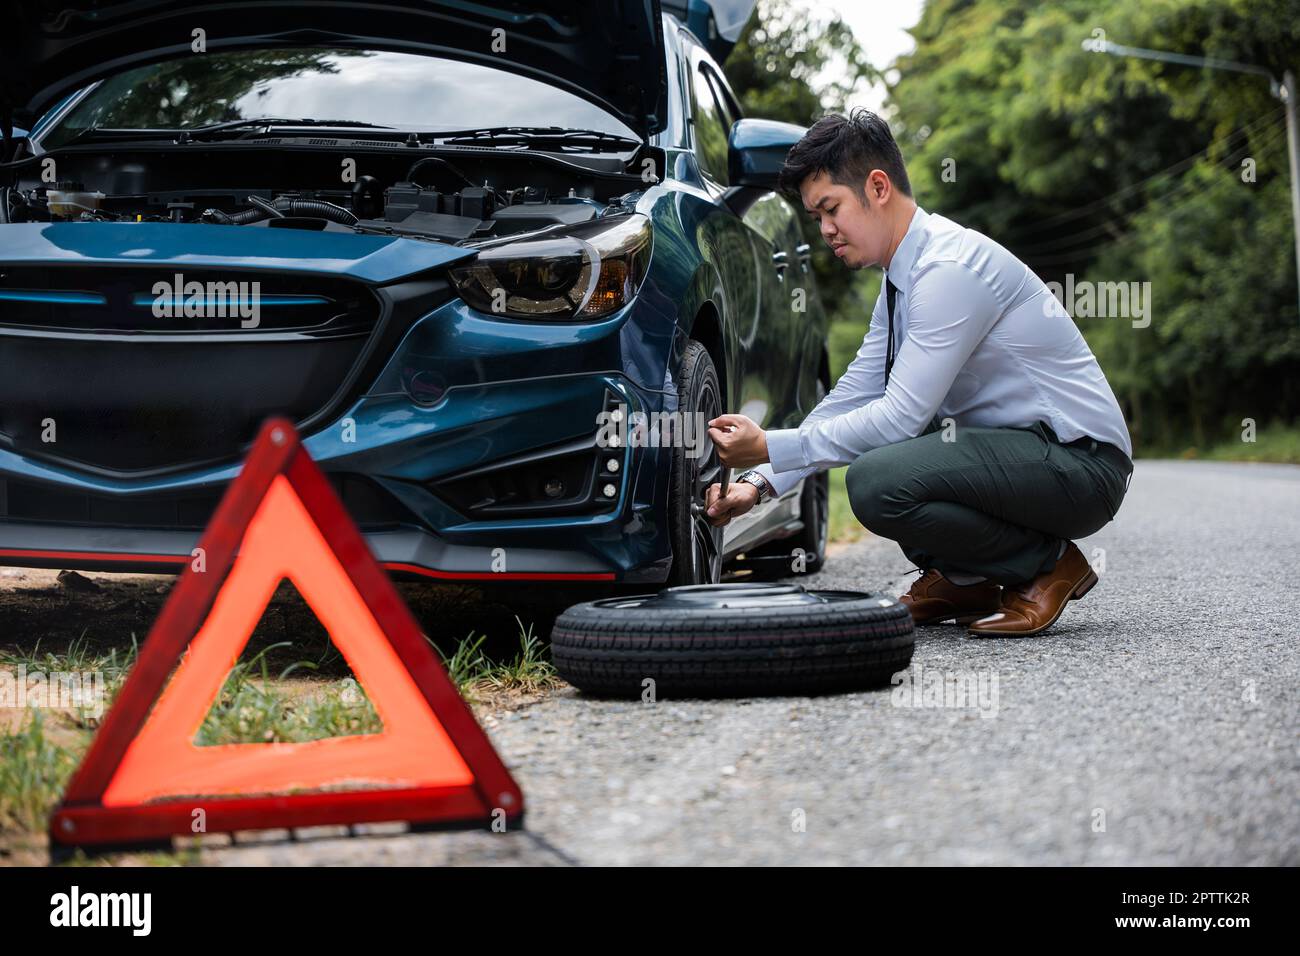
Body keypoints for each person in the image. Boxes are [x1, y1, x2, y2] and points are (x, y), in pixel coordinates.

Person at [703, 108, 1133, 636]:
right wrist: (760, 481)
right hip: (1024, 454)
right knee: (890, 454)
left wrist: (769, 444)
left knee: (878, 478)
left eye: (830, 208)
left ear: (878, 187)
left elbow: (900, 418)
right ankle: (965, 579)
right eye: (816, 217)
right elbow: (857, 392)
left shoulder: (947, 271)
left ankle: (1046, 565)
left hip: (1082, 465)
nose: (825, 231)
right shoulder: (902, 277)